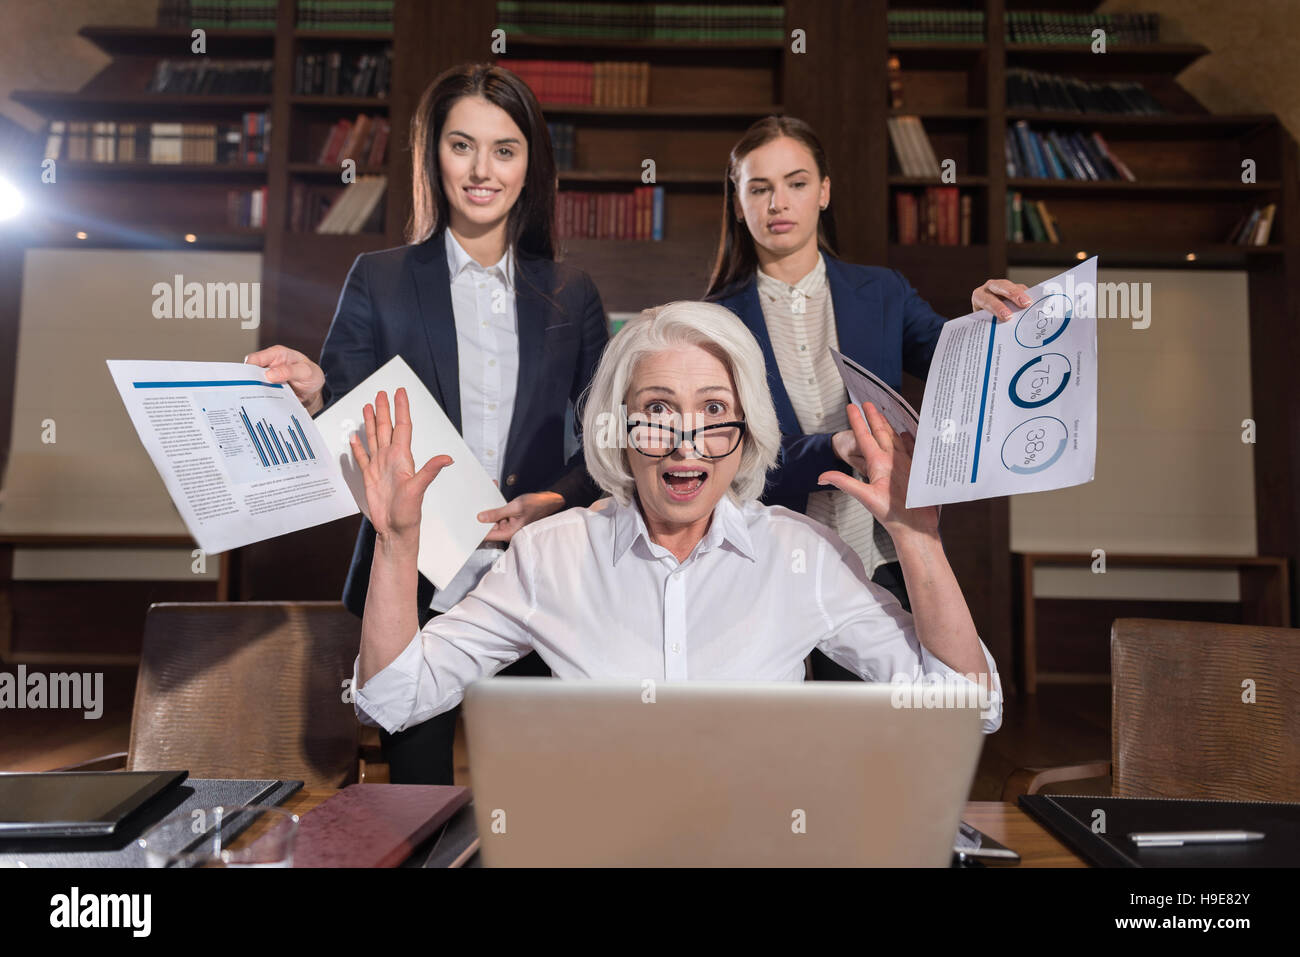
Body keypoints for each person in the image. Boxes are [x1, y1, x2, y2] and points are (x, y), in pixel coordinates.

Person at [349, 301, 1002, 738]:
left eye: (715, 409)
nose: (687, 441)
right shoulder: (548, 554)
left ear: (746, 432)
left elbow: (965, 708)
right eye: (658, 409)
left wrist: (919, 539)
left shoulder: (804, 554)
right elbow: (394, 697)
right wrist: (396, 543)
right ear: (619, 428)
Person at [245, 63, 608, 783]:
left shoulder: (572, 292)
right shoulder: (379, 278)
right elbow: (346, 416)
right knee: (413, 807)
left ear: (531, 166)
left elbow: (606, 444)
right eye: (461, 145)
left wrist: (554, 500)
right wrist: (316, 394)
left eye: (505, 150)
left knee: (538, 806)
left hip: (535, 580)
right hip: (411, 585)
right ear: (432, 155)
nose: (482, 169)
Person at [706, 114, 1030, 680]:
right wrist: (833, 447)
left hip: (883, 546)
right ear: (738, 203)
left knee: (881, 725)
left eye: (797, 182)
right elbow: (731, 457)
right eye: (759, 188)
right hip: (766, 552)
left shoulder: (881, 290)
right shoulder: (714, 320)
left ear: (824, 191)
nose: (778, 202)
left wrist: (987, 321)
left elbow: (954, 364)